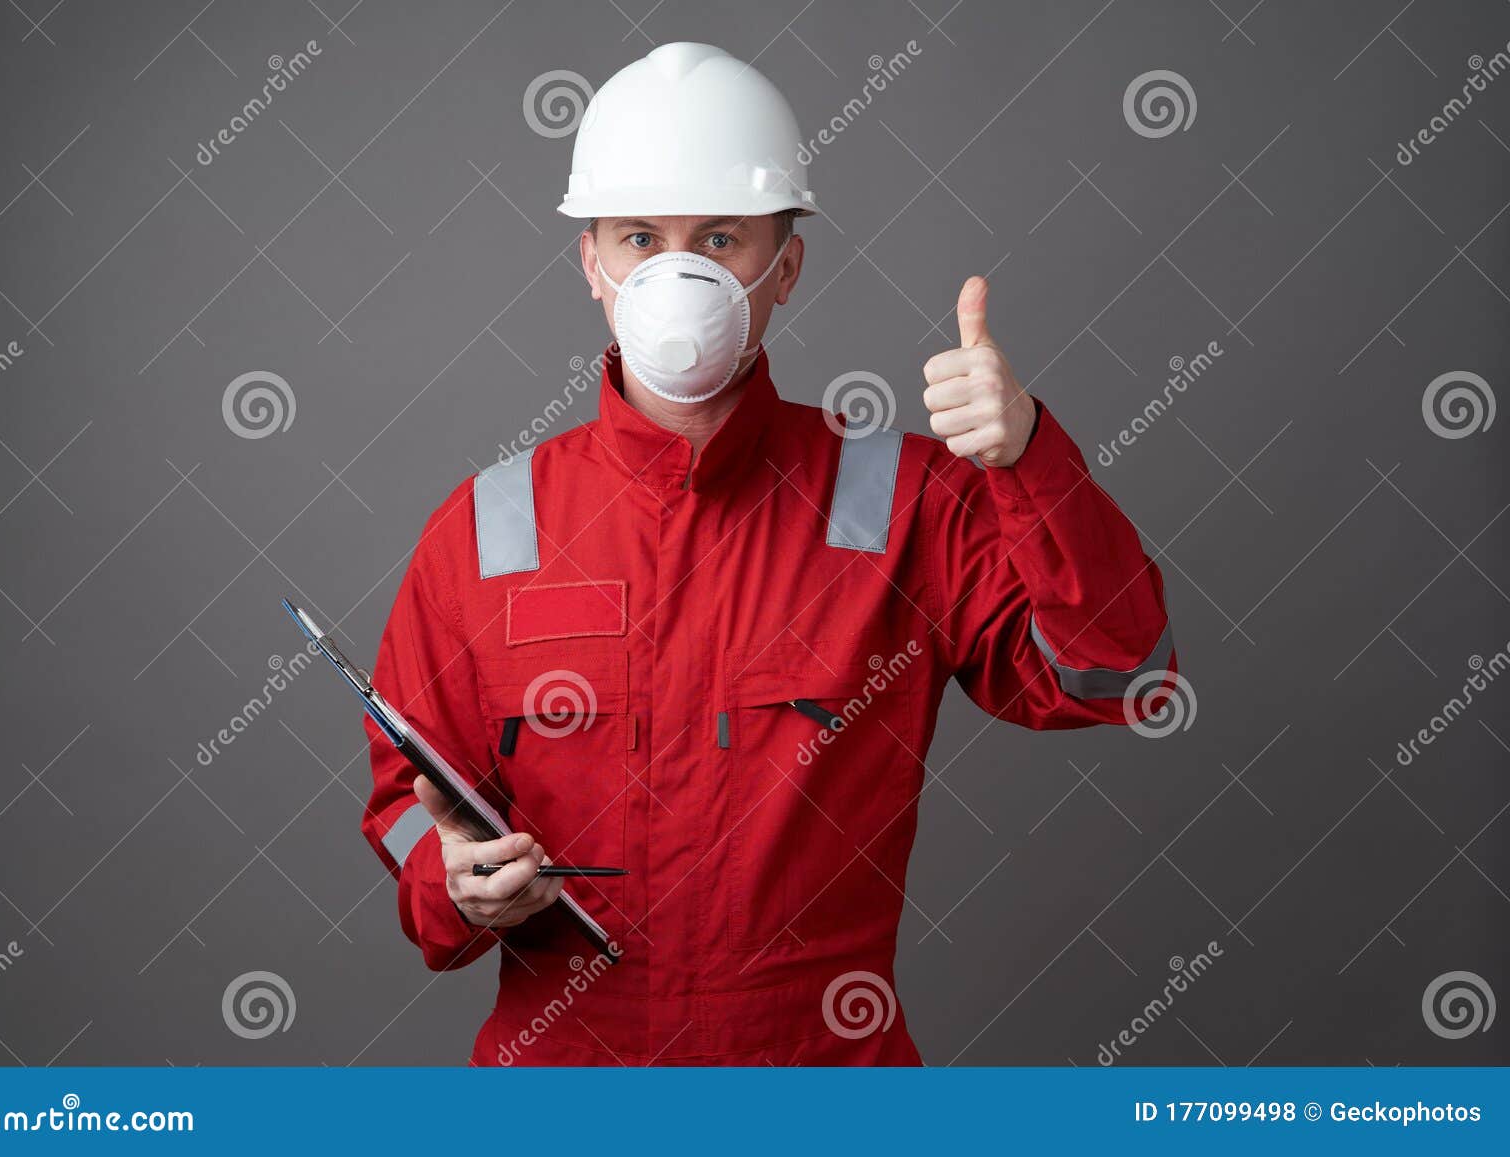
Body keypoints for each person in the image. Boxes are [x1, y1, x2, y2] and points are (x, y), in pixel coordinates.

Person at [362, 42, 1176, 1065]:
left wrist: (1027, 462)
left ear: (784, 266)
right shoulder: (487, 528)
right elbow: (409, 802)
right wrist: (454, 879)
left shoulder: (903, 500)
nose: (677, 272)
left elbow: (1120, 677)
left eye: (720, 236)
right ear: (592, 264)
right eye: (640, 236)